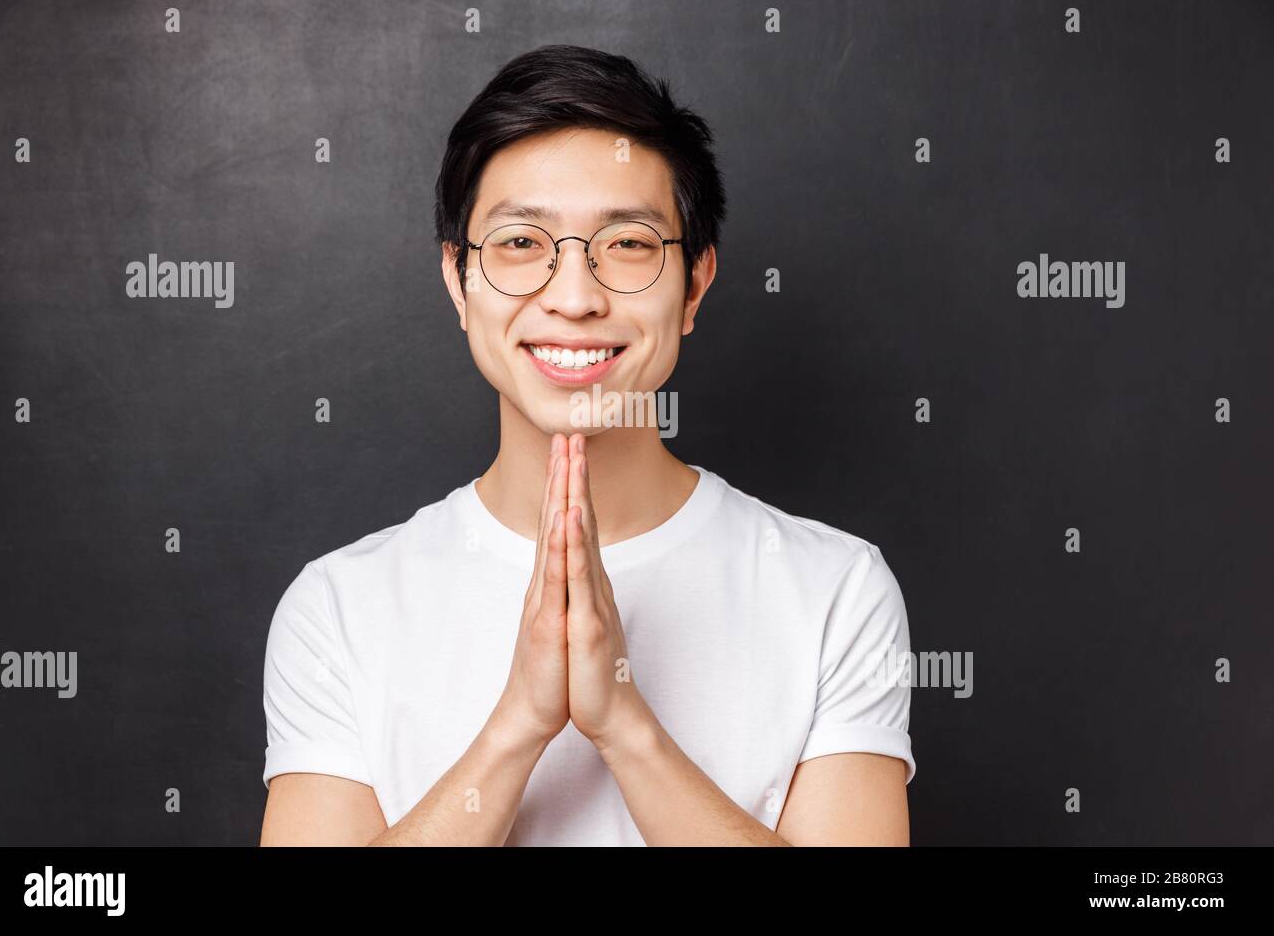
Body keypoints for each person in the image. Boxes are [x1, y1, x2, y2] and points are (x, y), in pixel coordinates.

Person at [259, 44, 915, 846]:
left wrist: (622, 725)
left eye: (629, 245)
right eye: (521, 244)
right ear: (457, 281)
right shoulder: (337, 608)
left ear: (696, 285)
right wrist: (520, 727)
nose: (574, 298)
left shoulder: (835, 591)